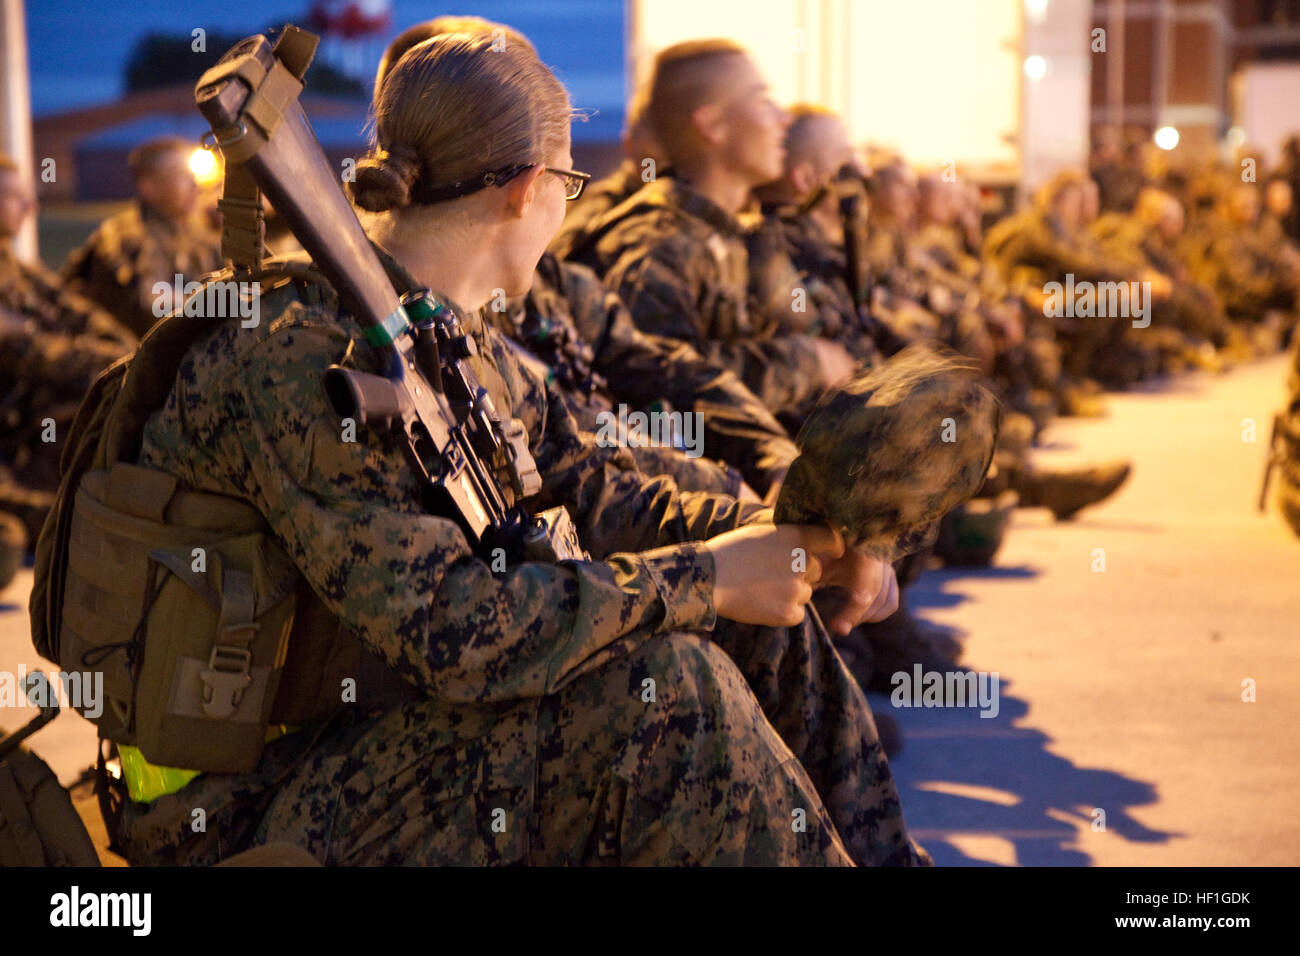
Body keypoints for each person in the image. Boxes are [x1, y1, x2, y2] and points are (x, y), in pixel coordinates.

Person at [92, 31, 928, 866]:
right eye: (570, 181)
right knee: (669, 692)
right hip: (240, 798)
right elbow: (455, 628)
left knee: (759, 618)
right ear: (531, 191)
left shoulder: (440, 335)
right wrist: (706, 579)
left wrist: (798, 540)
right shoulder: (304, 357)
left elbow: (603, 485)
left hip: (367, 728)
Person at [565, 40, 855, 421]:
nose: (783, 119)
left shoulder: (730, 235)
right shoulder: (654, 246)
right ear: (712, 125)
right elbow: (663, 397)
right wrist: (806, 362)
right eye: (762, 100)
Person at [0, 153, 136, 549]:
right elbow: (33, 353)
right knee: (52, 530)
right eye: (12, 196)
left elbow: (86, 318)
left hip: (29, 432)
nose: (30, 206)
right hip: (12, 445)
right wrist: (110, 359)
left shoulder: (20, 271)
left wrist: (126, 356)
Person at [62, 136, 222, 339]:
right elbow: (152, 304)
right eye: (180, 176)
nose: (195, 185)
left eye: (193, 176)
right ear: (148, 187)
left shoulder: (195, 231)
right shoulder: (126, 237)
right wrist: (225, 304)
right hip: (131, 358)